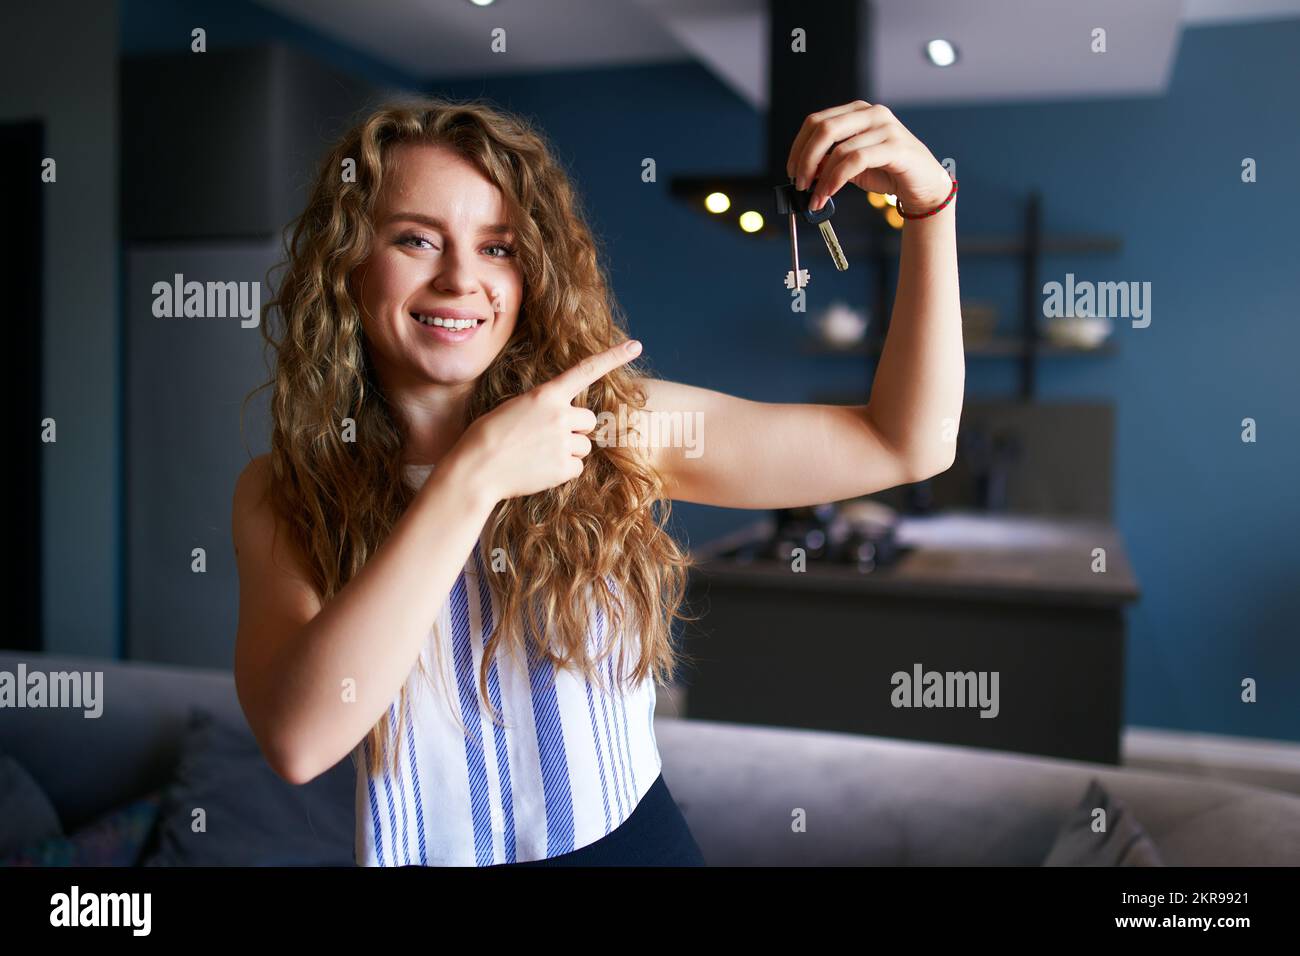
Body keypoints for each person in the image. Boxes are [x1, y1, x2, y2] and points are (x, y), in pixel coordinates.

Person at [231, 96, 962, 866]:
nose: (460, 279)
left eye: (498, 248)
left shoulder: (615, 426)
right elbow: (300, 739)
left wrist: (929, 208)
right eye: (416, 239)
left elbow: (907, 443)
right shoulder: (284, 492)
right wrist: (471, 477)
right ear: (348, 259)